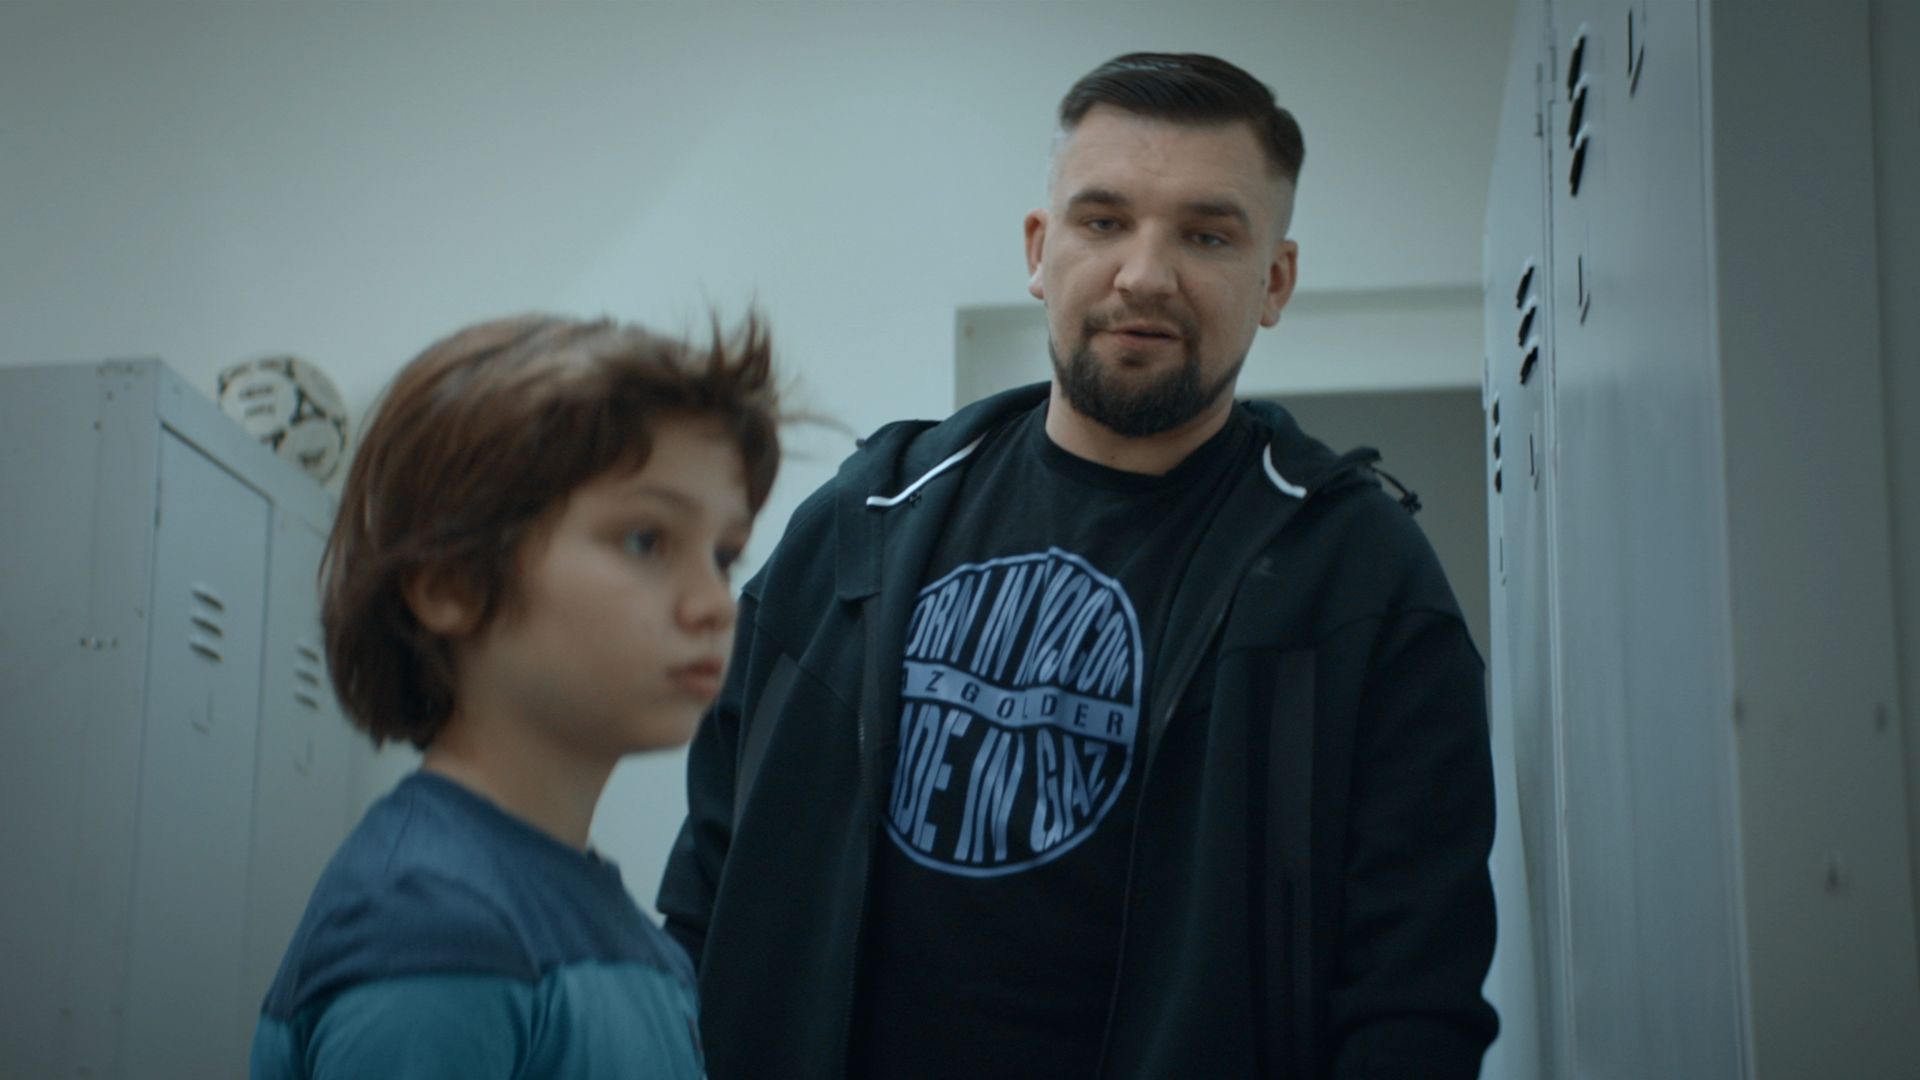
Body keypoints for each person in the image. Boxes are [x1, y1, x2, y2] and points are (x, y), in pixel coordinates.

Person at [659, 52, 1498, 1079]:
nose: (1144, 274)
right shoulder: (864, 524)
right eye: (1103, 221)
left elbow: (1413, 1001)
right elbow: (708, 894)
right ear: (1038, 247)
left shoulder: (1360, 579)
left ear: (1274, 280)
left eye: (1206, 234)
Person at [251, 313, 780, 1078]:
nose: (714, 605)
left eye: (724, 556)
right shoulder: (431, 927)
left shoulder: (629, 939)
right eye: (646, 540)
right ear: (451, 583)